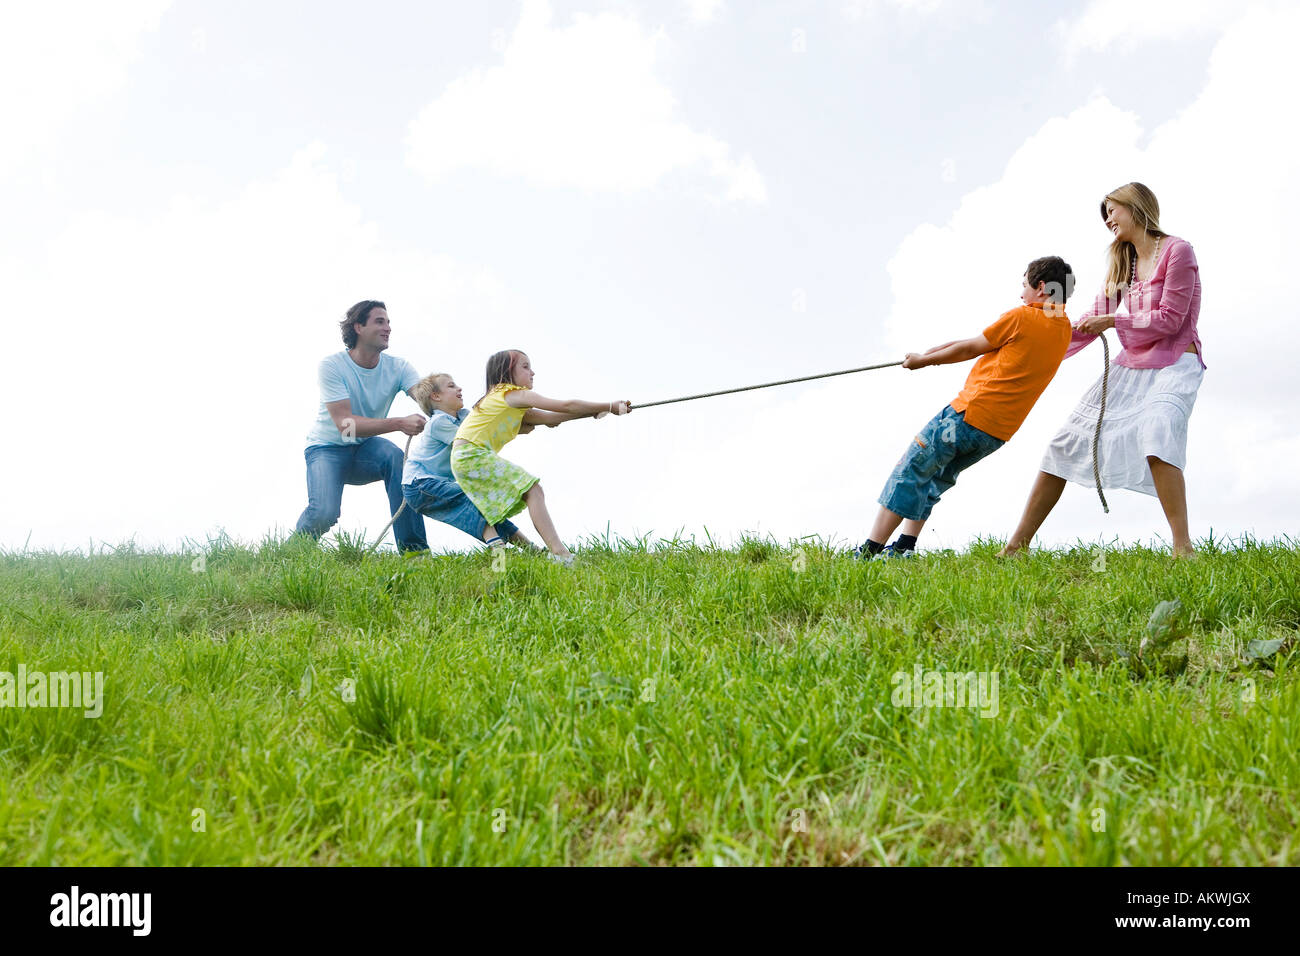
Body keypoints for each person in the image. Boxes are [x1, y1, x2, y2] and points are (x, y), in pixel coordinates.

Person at [999, 183, 1205, 558]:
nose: (1108, 219)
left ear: (1137, 206)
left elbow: (1172, 320)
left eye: (1113, 210)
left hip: (1176, 361)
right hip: (1132, 365)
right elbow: (1091, 320)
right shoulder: (1122, 262)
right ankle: (1016, 547)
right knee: (1063, 444)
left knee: (1158, 432)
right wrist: (1036, 347)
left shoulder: (1178, 251)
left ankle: (1183, 547)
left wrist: (1114, 321)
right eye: (1105, 213)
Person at [858, 256, 1075, 559]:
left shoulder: (1022, 316)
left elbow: (972, 348)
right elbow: (980, 342)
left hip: (966, 415)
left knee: (911, 470)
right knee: (934, 479)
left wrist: (924, 361)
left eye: (1024, 285)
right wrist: (932, 351)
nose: (1020, 293)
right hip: (995, 433)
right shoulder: (1063, 329)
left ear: (1041, 287)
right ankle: (904, 548)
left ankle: (868, 553)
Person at [451, 350, 629, 566]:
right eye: (525, 367)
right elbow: (566, 406)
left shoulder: (502, 400)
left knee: (497, 512)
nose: (532, 372)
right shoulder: (512, 394)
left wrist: (594, 411)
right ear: (507, 372)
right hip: (471, 454)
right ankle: (560, 555)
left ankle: (501, 564)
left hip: (463, 459)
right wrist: (608, 406)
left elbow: (551, 418)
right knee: (533, 490)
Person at [294, 300, 429, 552]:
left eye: (389, 322)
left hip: (365, 449)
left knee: (397, 460)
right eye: (380, 321)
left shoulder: (399, 367)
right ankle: (289, 555)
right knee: (324, 512)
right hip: (326, 448)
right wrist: (399, 423)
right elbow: (346, 426)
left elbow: (430, 399)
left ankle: (415, 554)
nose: (388, 327)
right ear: (358, 327)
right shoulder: (332, 366)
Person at [402, 372, 539, 550]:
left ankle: (531, 549)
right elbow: (472, 438)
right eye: (451, 386)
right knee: (475, 499)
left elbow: (485, 427)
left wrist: (516, 424)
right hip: (419, 484)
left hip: (432, 484)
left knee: (490, 511)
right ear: (436, 396)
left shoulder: (463, 416)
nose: (459, 388)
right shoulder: (438, 422)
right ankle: (495, 544)